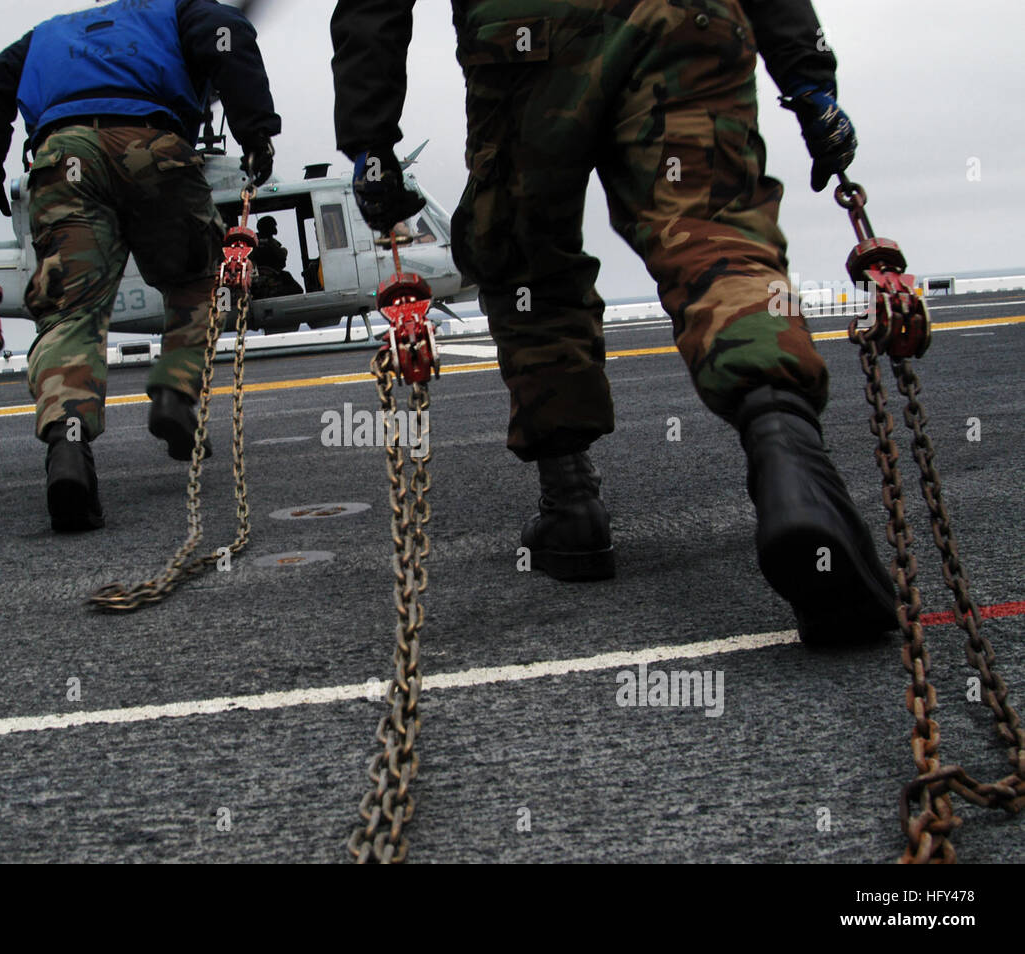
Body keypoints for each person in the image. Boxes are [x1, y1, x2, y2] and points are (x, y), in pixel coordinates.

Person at [331, 0, 895, 644]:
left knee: (526, 258)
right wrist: (808, 79)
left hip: (527, 32)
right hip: (690, 21)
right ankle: (788, 458)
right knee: (713, 235)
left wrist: (370, 139)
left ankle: (572, 505)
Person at [0, 0, 280, 532]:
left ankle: (69, 446)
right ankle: (177, 393)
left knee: (71, 313)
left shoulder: (44, 35)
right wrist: (256, 130)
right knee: (197, 281)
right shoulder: (176, 12)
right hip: (153, 144)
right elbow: (228, 34)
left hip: (63, 159)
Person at [250, 215, 304, 298]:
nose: (275, 229)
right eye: (274, 226)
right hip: (264, 274)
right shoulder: (270, 243)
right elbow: (281, 257)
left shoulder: (253, 241)